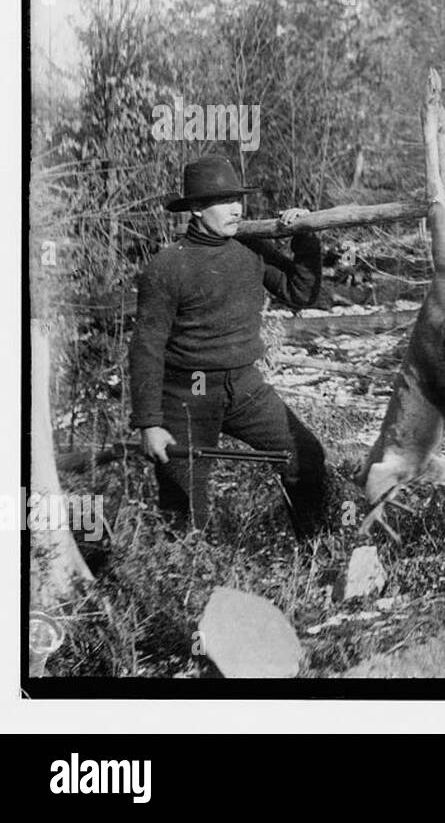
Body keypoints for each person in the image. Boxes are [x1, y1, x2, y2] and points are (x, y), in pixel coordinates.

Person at [129, 155, 331, 539]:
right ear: (197, 208)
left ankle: (317, 553)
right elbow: (147, 346)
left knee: (306, 458)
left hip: (245, 388)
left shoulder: (250, 249)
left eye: (238, 198)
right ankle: (187, 583)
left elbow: (300, 292)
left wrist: (305, 235)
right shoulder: (168, 266)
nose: (237, 208)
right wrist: (150, 423)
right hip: (187, 392)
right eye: (224, 201)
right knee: (186, 513)